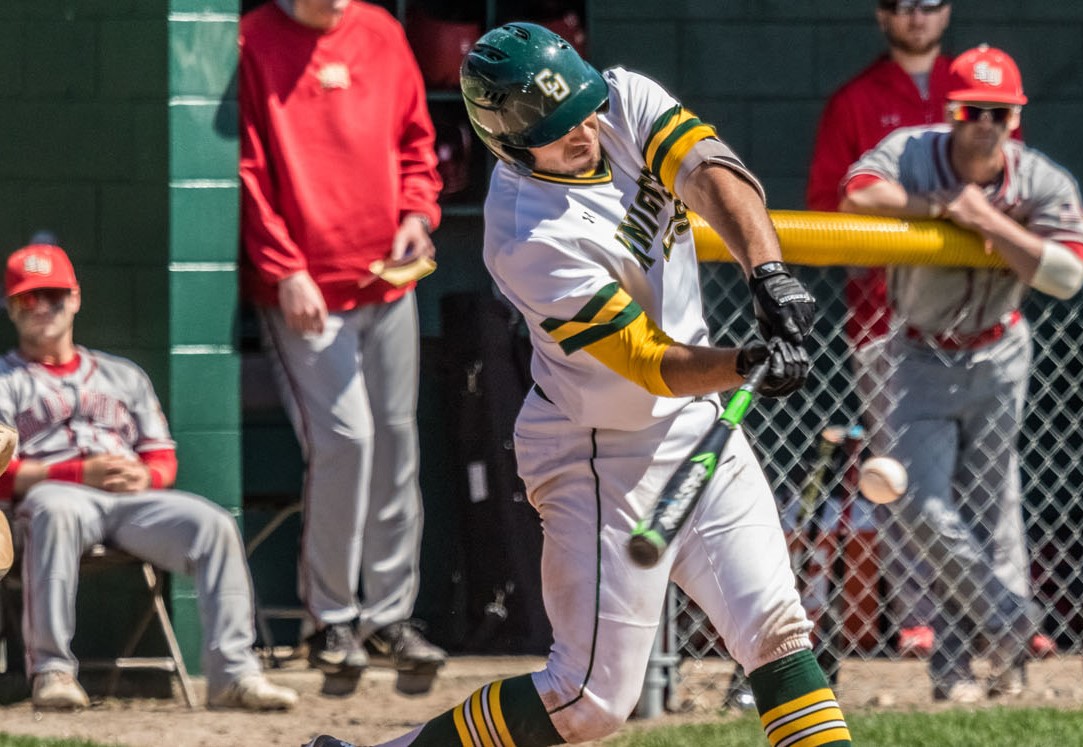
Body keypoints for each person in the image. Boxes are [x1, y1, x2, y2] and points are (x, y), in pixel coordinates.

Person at [307, 22, 852, 747]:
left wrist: (769, 274)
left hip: (694, 425)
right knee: (587, 701)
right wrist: (747, 363)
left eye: (583, 111)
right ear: (509, 144)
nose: (583, 132)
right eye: (556, 129)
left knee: (777, 634)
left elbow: (712, 171)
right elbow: (651, 362)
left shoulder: (622, 99)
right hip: (599, 454)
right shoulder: (528, 238)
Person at [837, 45, 1083, 702]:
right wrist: (941, 206)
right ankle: (1006, 617)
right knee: (919, 505)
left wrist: (987, 222)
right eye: (972, 110)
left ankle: (960, 670)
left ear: (1015, 119)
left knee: (985, 513)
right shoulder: (914, 150)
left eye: (997, 113)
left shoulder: (1038, 177)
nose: (984, 124)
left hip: (999, 352)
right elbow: (857, 194)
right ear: (950, 112)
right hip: (920, 351)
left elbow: (1068, 274)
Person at [238, 0, 448, 690]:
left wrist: (417, 213)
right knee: (346, 441)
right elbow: (245, 170)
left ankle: (389, 618)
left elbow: (417, 140)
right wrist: (283, 269)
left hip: (388, 281)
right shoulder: (253, 41)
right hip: (305, 292)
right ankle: (329, 619)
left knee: (395, 443)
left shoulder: (381, 32)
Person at [0, 241, 299, 712]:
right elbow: (1, 471)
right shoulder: (6, 380)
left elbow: (161, 457)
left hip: (130, 500)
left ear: (75, 298)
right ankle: (52, 672)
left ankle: (234, 675)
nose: (41, 309)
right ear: (10, 308)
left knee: (214, 524)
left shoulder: (123, 375)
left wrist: (146, 477)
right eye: (26, 299)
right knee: (53, 511)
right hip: (52, 494)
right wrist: (78, 472)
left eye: (52, 296)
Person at [804, 0, 953, 662]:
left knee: (980, 467)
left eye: (929, 3)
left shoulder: (974, 94)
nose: (916, 16)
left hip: (970, 315)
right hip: (883, 318)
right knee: (897, 470)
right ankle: (919, 614)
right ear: (881, 15)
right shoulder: (855, 100)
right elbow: (824, 209)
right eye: (901, 4)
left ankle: (986, 608)